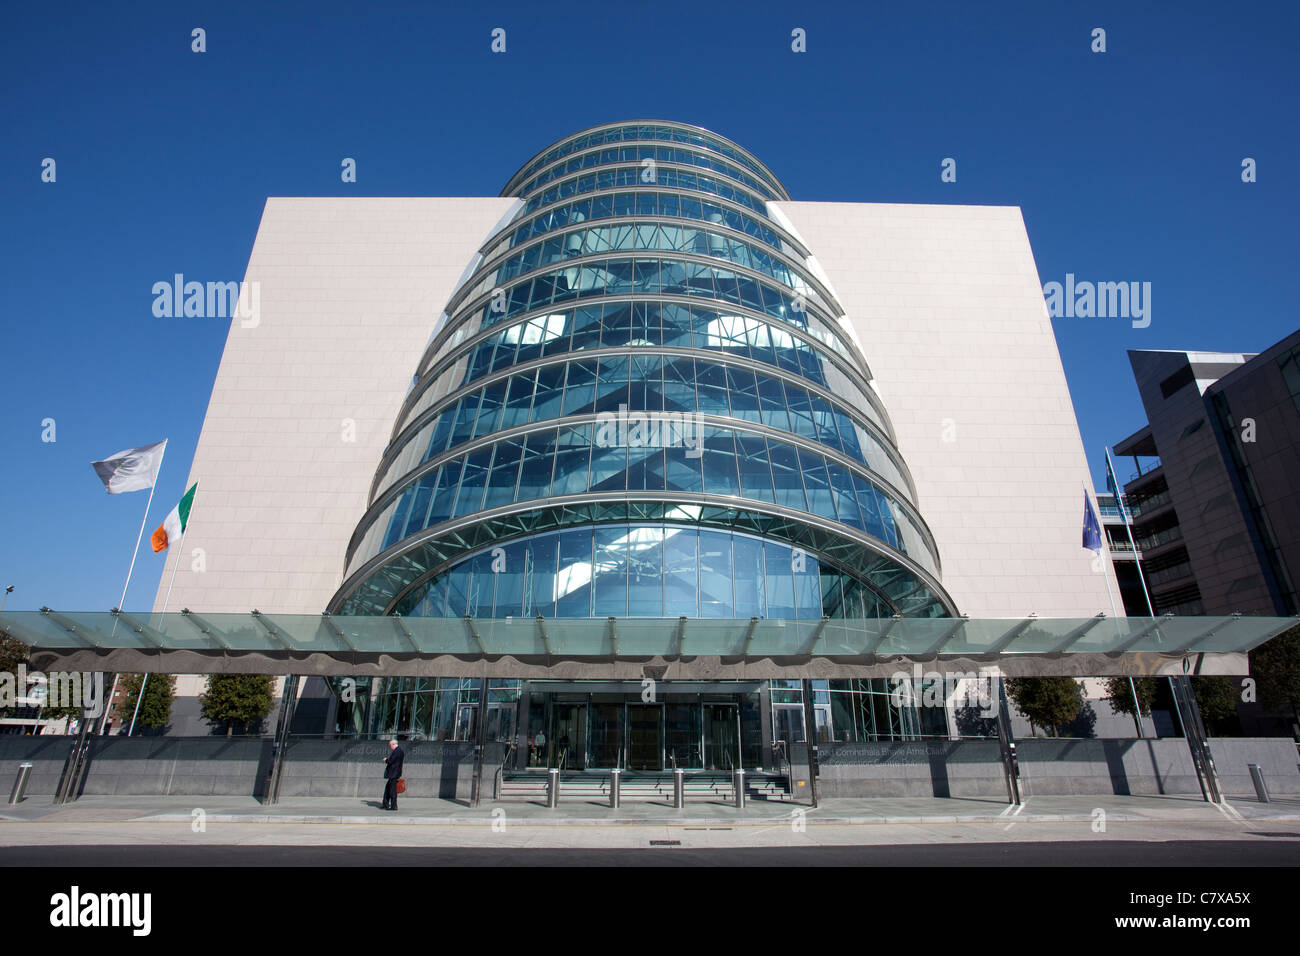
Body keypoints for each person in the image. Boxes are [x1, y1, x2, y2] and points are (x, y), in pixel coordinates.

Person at [382, 738, 404, 811]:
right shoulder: (399, 751)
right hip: (394, 773)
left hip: (393, 773)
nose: (390, 747)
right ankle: (385, 804)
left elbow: (391, 761)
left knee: (392, 790)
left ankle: (393, 806)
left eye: (390, 745)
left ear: (393, 744)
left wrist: (386, 760)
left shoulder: (397, 751)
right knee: (388, 788)